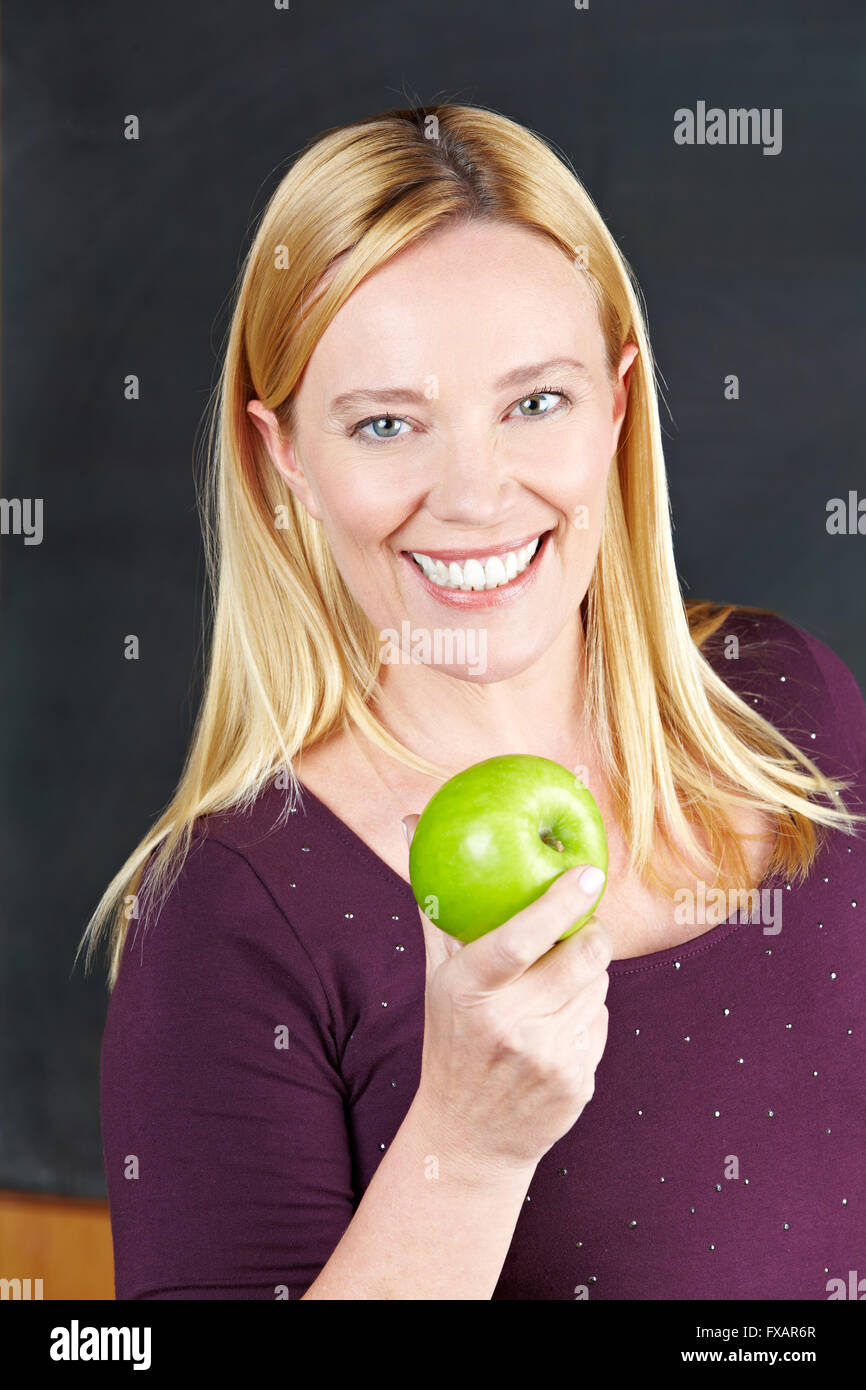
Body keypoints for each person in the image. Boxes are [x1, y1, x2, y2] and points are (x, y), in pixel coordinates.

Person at [82, 103, 865, 1300]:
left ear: (614, 404)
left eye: (533, 402)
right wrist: (465, 1145)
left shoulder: (789, 704)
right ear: (283, 453)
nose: (473, 495)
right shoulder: (222, 921)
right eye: (387, 423)